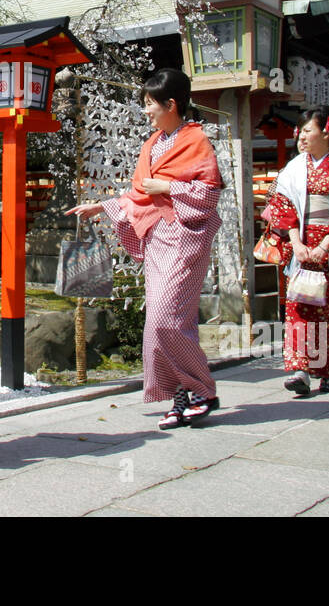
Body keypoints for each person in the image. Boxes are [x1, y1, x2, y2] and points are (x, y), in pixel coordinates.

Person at [67, 68, 223, 430]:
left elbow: (209, 194)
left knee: (167, 318)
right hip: (156, 239)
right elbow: (139, 193)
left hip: (185, 237)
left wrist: (167, 187)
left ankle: (203, 390)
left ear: (171, 104)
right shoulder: (152, 144)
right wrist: (100, 206)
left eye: (150, 104)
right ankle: (181, 396)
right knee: (159, 324)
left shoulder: (197, 141)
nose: (145, 111)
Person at [264, 105, 329, 396]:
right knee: (299, 306)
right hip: (301, 247)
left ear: (326, 131)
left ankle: (327, 372)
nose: (301, 136)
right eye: (300, 130)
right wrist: (296, 243)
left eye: (308, 130)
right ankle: (300, 371)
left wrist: (324, 246)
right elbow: (283, 207)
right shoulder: (293, 168)